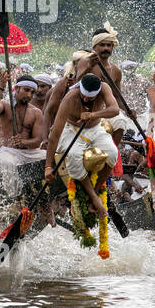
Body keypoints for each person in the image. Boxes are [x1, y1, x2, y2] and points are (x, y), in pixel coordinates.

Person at [44, 73, 120, 230]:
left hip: (95, 129)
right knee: (73, 156)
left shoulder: (104, 88)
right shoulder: (70, 98)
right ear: (80, 89)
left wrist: (93, 114)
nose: (86, 100)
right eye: (84, 96)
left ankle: (97, 189)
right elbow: (55, 135)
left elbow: (115, 110)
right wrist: (48, 166)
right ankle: (94, 198)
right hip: (72, 130)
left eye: (90, 99)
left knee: (112, 152)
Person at [0, 72, 47, 195]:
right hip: (7, 151)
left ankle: (50, 193)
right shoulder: (5, 104)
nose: (29, 95)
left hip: (28, 152)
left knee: (50, 157)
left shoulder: (36, 112)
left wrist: (23, 142)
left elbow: (37, 141)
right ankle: (14, 197)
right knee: (8, 163)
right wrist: (1, 87)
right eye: (26, 90)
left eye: (32, 92)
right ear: (16, 88)